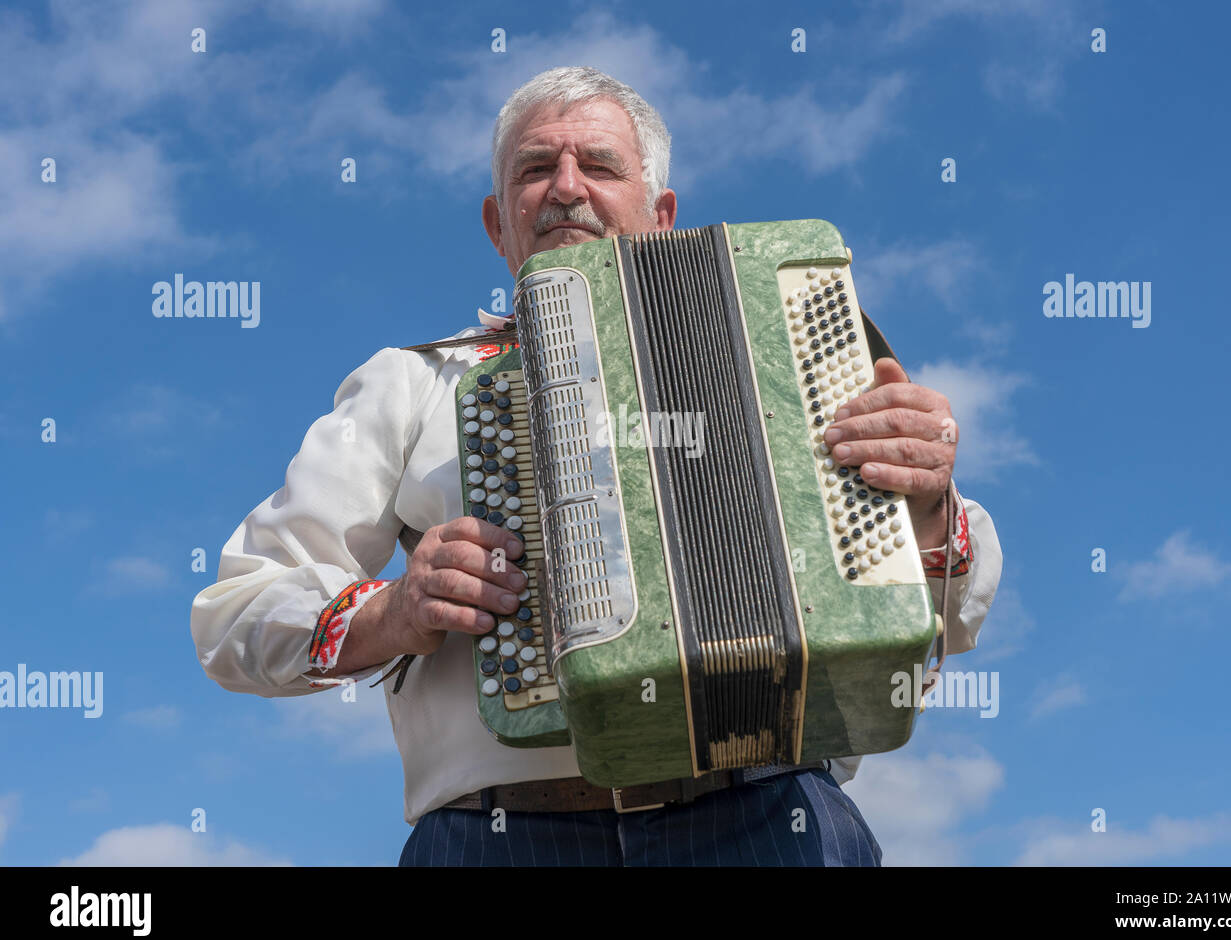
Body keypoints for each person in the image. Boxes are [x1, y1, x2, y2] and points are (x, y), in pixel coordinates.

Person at [191, 66, 1002, 867]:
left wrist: (926, 506)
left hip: (773, 817)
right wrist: (395, 609)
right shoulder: (412, 383)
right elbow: (236, 612)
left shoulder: (794, 349)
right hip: (498, 839)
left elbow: (955, 623)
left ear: (660, 213)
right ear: (496, 223)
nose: (566, 188)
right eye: (536, 169)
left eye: (600, 166)